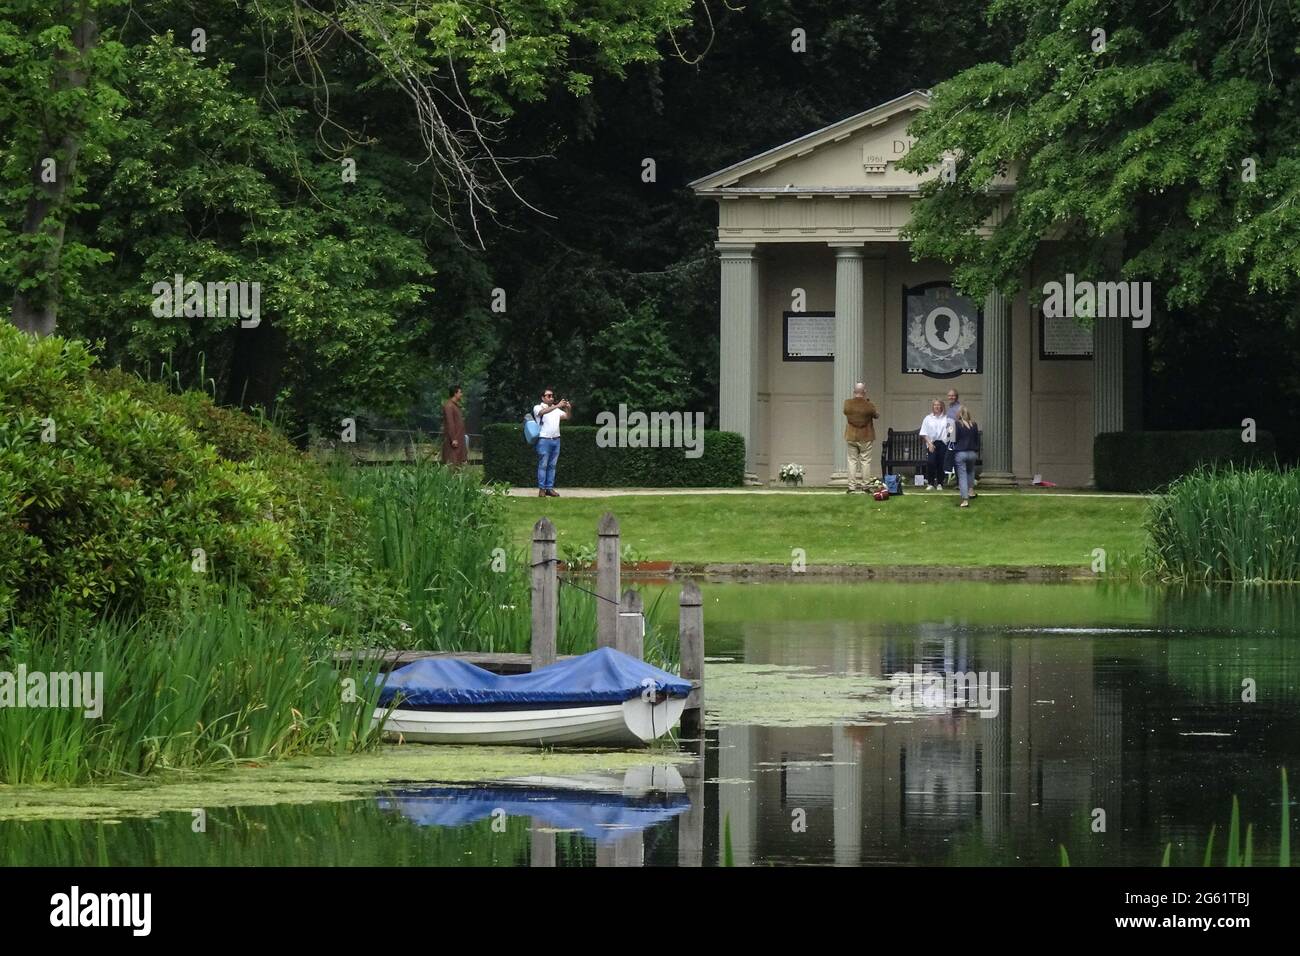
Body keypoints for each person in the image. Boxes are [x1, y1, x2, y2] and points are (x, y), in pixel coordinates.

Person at [532, 388, 571, 497]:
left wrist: (568, 409)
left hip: (556, 440)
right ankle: (542, 489)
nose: (551, 397)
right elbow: (542, 413)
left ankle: (549, 488)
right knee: (543, 465)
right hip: (544, 440)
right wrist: (558, 405)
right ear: (542, 398)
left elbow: (567, 417)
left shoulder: (556, 410)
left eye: (552, 395)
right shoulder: (538, 407)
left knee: (552, 466)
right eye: (548, 396)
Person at [842, 382, 879, 493]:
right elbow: (876, 415)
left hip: (851, 436)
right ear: (864, 392)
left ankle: (851, 487)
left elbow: (845, 412)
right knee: (865, 461)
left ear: (854, 391)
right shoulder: (869, 405)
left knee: (852, 461)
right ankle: (865, 486)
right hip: (866, 436)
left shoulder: (847, 404)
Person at [952, 406, 981, 508]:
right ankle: (971, 491)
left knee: (962, 476)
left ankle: (965, 500)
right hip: (972, 453)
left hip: (961, 452)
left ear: (959, 414)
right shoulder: (974, 424)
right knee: (971, 472)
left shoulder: (956, 424)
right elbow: (977, 439)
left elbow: (952, 439)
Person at [919, 399, 949, 490]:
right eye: (935, 405)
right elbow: (924, 432)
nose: (937, 406)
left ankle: (940, 483)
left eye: (939, 405)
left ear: (942, 406)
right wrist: (929, 443)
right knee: (931, 462)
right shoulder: (928, 418)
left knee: (941, 463)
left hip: (943, 443)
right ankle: (931, 483)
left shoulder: (947, 418)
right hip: (932, 443)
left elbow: (951, 431)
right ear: (933, 407)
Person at [440, 384, 467, 466]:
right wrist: (453, 439)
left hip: (459, 439)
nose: (461, 394)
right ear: (455, 393)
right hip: (453, 441)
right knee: (452, 462)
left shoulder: (455, 406)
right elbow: (450, 423)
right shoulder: (449, 406)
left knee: (459, 462)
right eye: (460, 392)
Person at [943, 388, 962, 480]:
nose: (951, 397)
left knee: (957, 459)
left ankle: (960, 482)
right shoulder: (950, 407)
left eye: (953, 395)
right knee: (953, 459)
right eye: (949, 395)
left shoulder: (960, 407)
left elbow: (960, 422)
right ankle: (958, 482)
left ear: (957, 397)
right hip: (950, 435)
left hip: (957, 436)